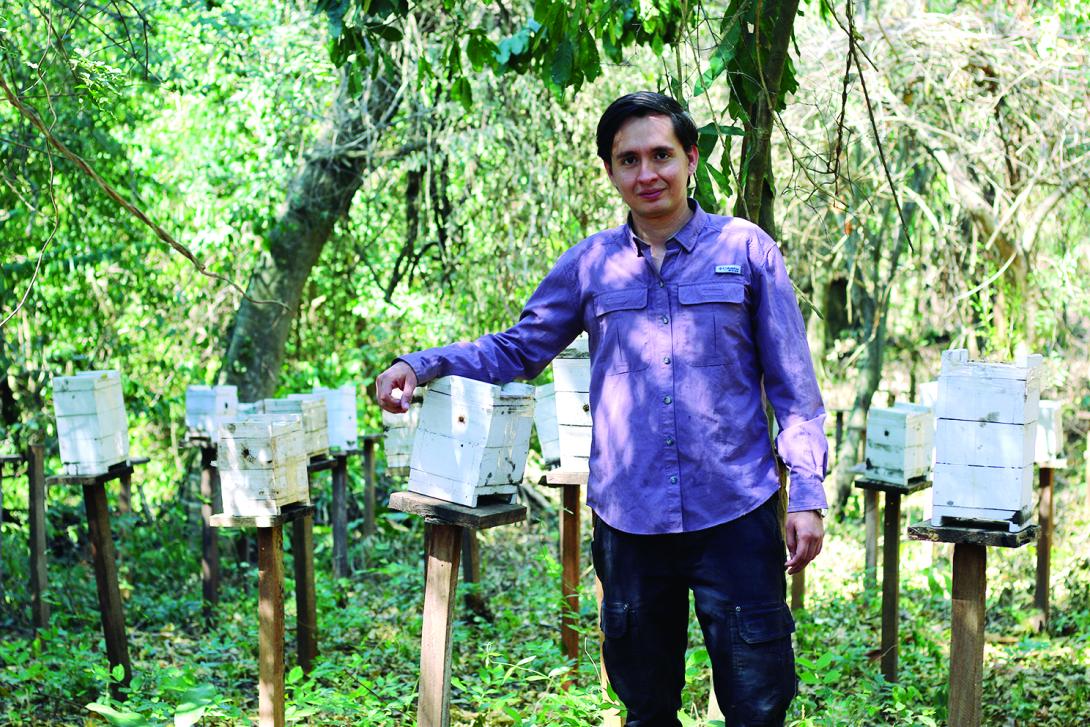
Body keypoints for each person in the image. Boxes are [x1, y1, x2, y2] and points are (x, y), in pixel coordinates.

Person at [376, 91, 828, 727]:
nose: (648, 173)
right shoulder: (592, 265)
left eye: (662, 155)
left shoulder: (747, 251)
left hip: (735, 513)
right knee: (645, 707)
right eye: (629, 160)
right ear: (611, 171)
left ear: (691, 157)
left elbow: (795, 390)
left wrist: (806, 494)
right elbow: (517, 348)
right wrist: (420, 363)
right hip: (629, 521)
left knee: (758, 704)